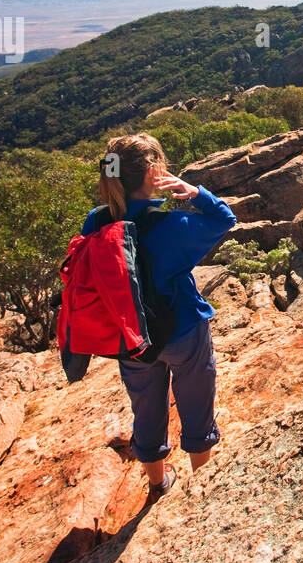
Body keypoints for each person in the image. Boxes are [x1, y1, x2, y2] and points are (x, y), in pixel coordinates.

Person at [83, 133, 237, 499]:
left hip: (130, 337)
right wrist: (194, 191)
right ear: (154, 173)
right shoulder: (172, 227)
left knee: (147, 407)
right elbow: (224, 218)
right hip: (182, 331)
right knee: (196, 403)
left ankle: (157, 484)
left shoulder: (95, 223)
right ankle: (201, 487)